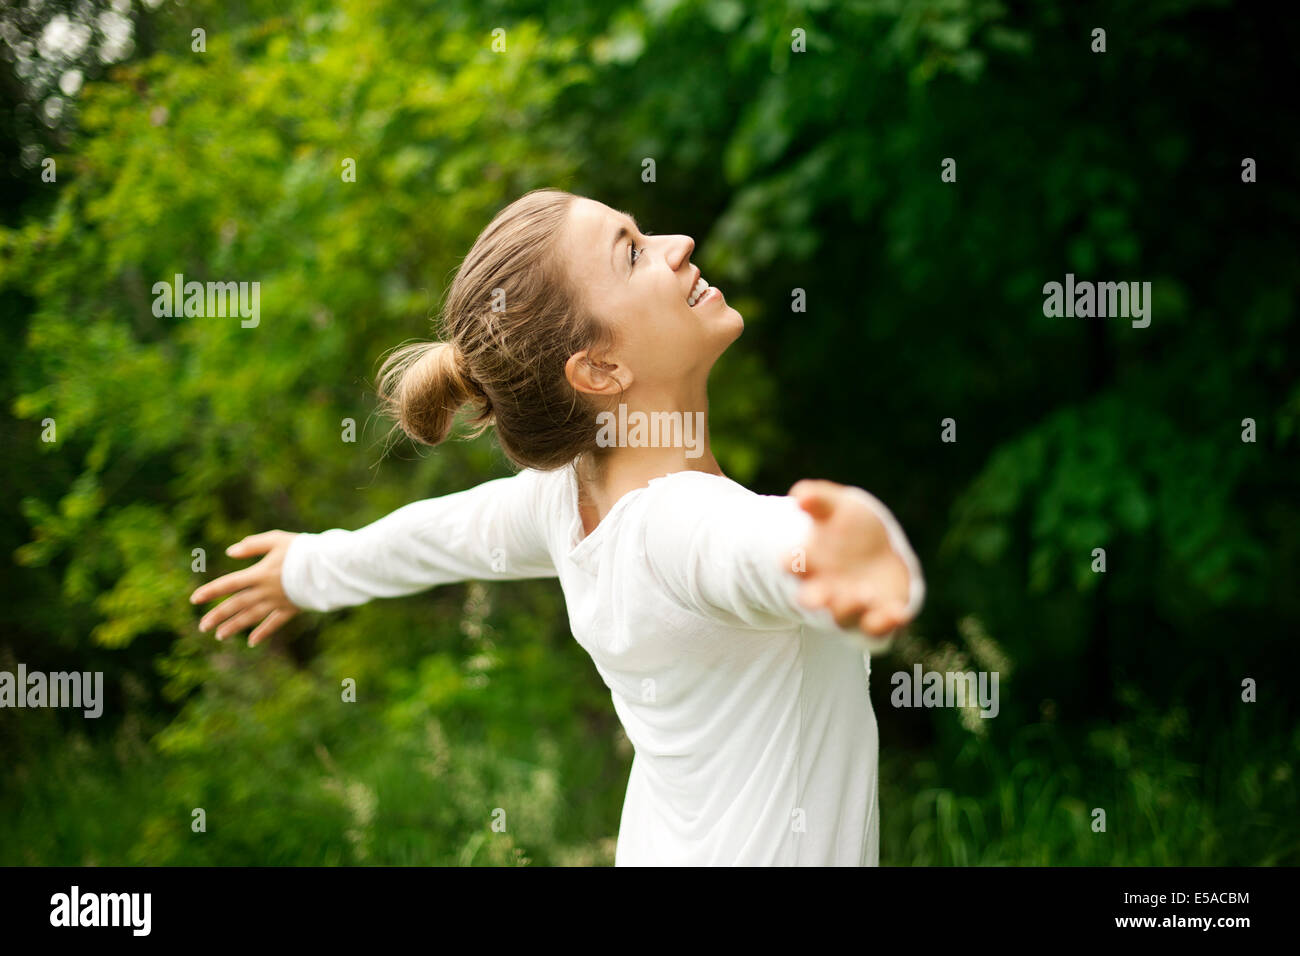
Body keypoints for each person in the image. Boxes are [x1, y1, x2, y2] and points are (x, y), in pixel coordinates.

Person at [189, 188, 925, 865]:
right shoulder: (677, 525)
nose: (680, 245)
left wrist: (307, 569)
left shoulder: (567, 504)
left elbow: (436, 535)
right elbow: (752, 548)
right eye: (633, 252)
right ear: (599, 369)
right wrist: (835, 551)